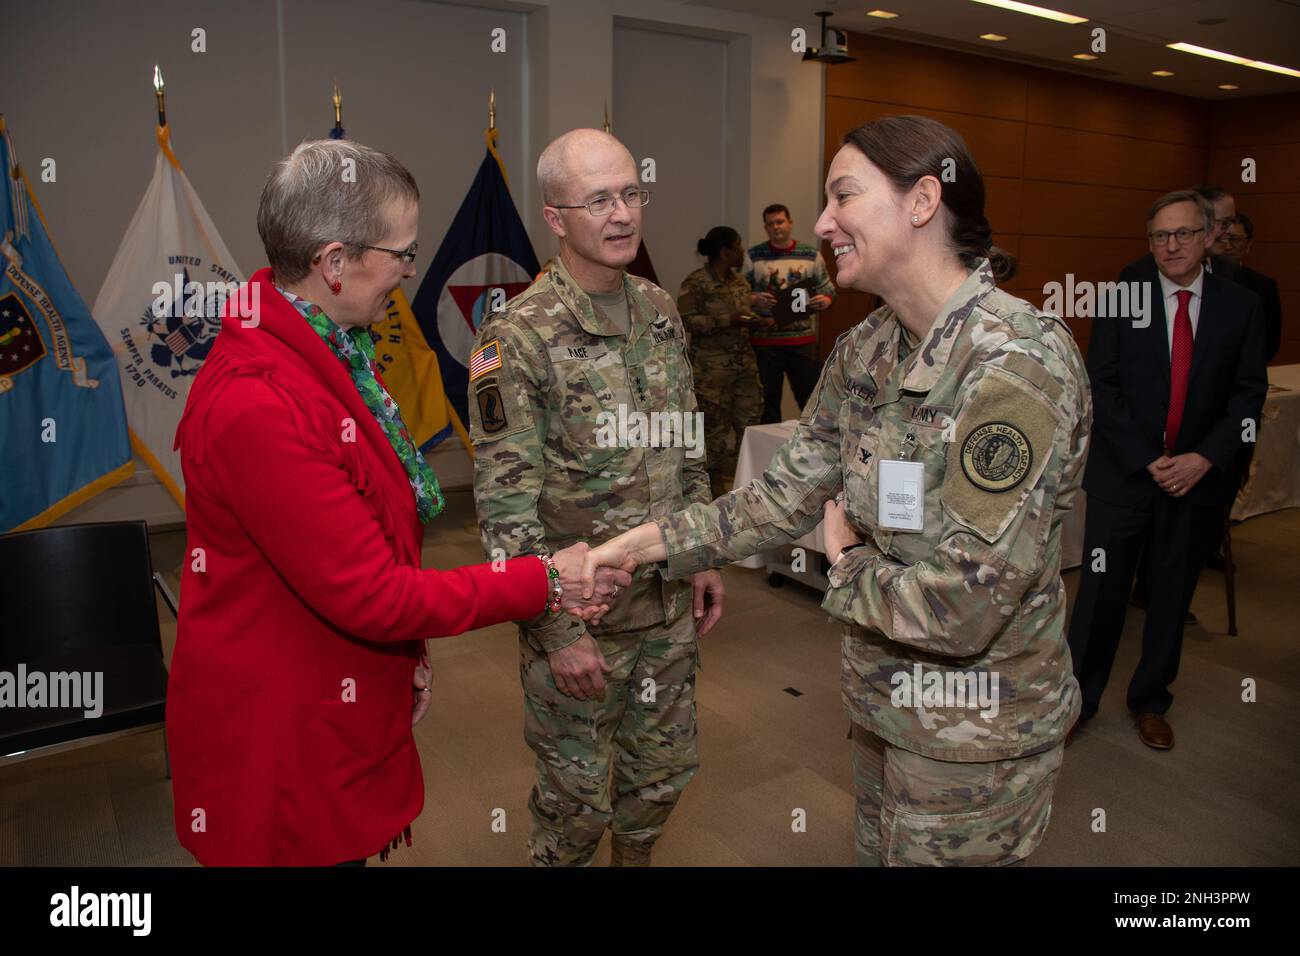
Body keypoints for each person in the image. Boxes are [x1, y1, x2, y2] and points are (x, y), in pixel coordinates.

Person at [579, 115, 1090, 866]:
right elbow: (778, 495)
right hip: (884, 709)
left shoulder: (1017, 363)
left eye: (842, 196)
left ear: (922, 202)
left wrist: (844, 565)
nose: (821, 224)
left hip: (975, 742)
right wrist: (638, 546)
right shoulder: (869, 350)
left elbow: (963, 606)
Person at [167, 139, 626, 867]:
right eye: (403, 254)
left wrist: (405, 652)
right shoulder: (260, 402)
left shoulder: (323, 348)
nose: (411, 273)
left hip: (332, 687)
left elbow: (367, 534)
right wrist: (543, 580)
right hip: (281, 730)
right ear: (335, 261)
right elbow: (372, 592)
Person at [467, 128, 724, 867]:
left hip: (668, 603)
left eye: (631, 194)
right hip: (582, 619)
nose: (622, 215)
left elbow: (686, 445)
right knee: (576, 806)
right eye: (599, 200)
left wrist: (701, 548)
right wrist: (556, 632)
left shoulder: (660, 308)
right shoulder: (516, 337)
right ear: (556, 218)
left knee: (661, 777)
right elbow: (505, 510)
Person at [1068, 190, 1267, 751]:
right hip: (1125, 478)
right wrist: (1146, 458)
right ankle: (1077, 700)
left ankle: (1151, 700)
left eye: (1183, 233)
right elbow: (1100, 386)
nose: (1171, 245)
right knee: (1100, 595)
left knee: (1171, 594)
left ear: (1209, 237)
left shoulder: (1240, 306)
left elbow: (1248, 396)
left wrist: (1203, 458)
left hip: (1196, 481)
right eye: (1160, 235)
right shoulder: (1120, 296)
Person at [677, 226, 765, 498]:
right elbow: (685, 321)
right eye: (738, 246)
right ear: (725, 251)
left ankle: (747, 492)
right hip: (711, 375)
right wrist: (728, 319)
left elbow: (745, 315)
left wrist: (758, 319)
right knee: (712, 438)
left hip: (744, 370)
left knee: (750, 428)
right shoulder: (695, 282)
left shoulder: (741, 283)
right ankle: (713, 497)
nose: (742, 252)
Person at [745, 203, 837, 424]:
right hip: (765, 343)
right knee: (767, 403)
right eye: (770, 224)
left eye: (780, 222)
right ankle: (765, 453)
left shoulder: (810, 255)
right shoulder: (753, 256)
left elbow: (828, 289)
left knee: (810, 399)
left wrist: (826, 300)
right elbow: (739, 294)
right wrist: (754, 298)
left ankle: (812, 449)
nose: (776, 227)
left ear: (790, 223)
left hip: (801, 341)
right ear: (765, 227)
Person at [1221, 214, 1282, 362]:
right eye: (1222, 239)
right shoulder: (1198, 281)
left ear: (1248, 244)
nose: (1227, 245)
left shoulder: (1263, 286)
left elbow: (1270, 340)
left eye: (1234, 239)